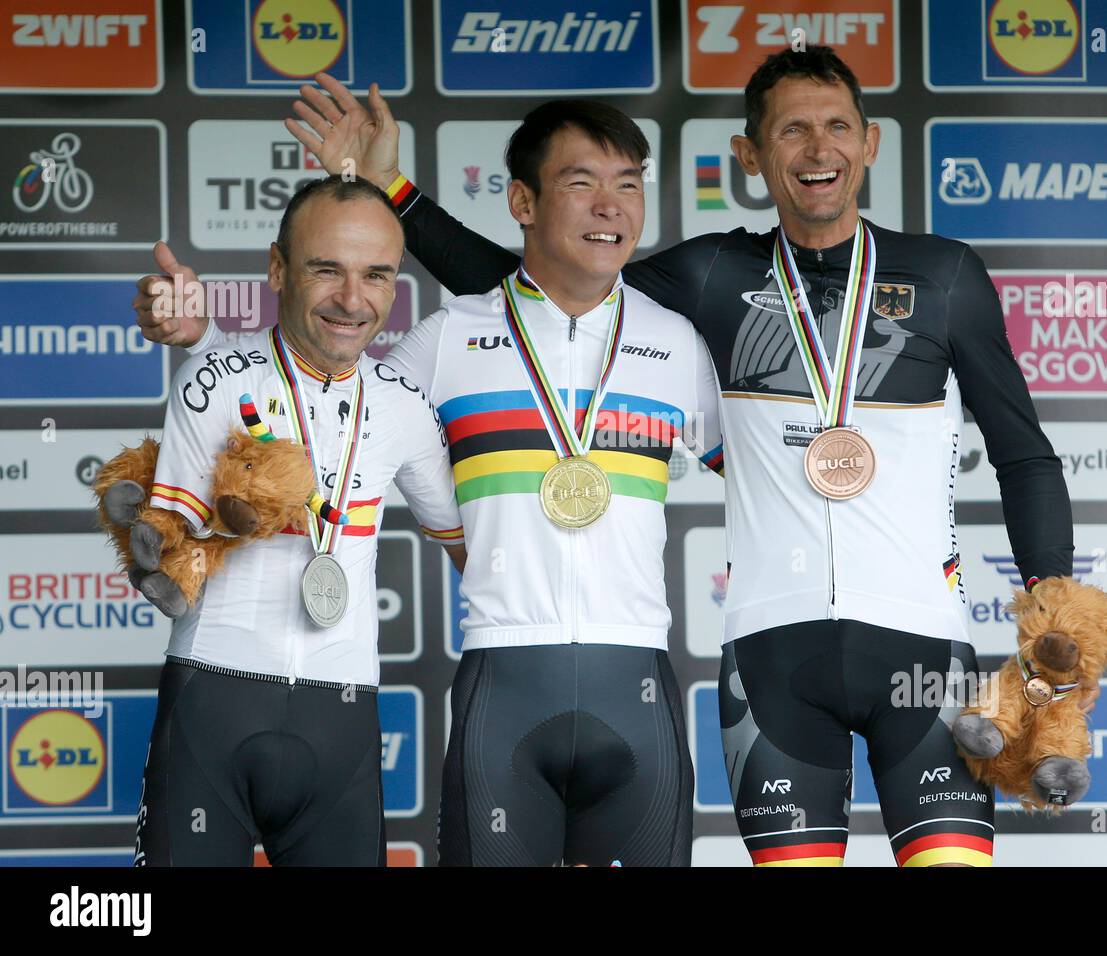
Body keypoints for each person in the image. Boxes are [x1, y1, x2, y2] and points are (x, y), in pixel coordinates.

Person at [140, 103, 724, 866]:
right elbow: (319, 392)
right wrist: (204, 342)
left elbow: (761, 482)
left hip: (639, 682)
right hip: (501, 686)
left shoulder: (676, 341)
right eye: (582, 182)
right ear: (522, 201)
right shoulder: (449, 336)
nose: (610, 206)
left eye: (628, 183)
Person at [125, 175, 465, 865]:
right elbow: (164, 565)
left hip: (341, 715)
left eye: (377, 275)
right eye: (326, 269)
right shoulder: (214, 379)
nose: (353, 298)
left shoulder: (403, 406)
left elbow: (472, 549)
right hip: (209, 698)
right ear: (277, 267)